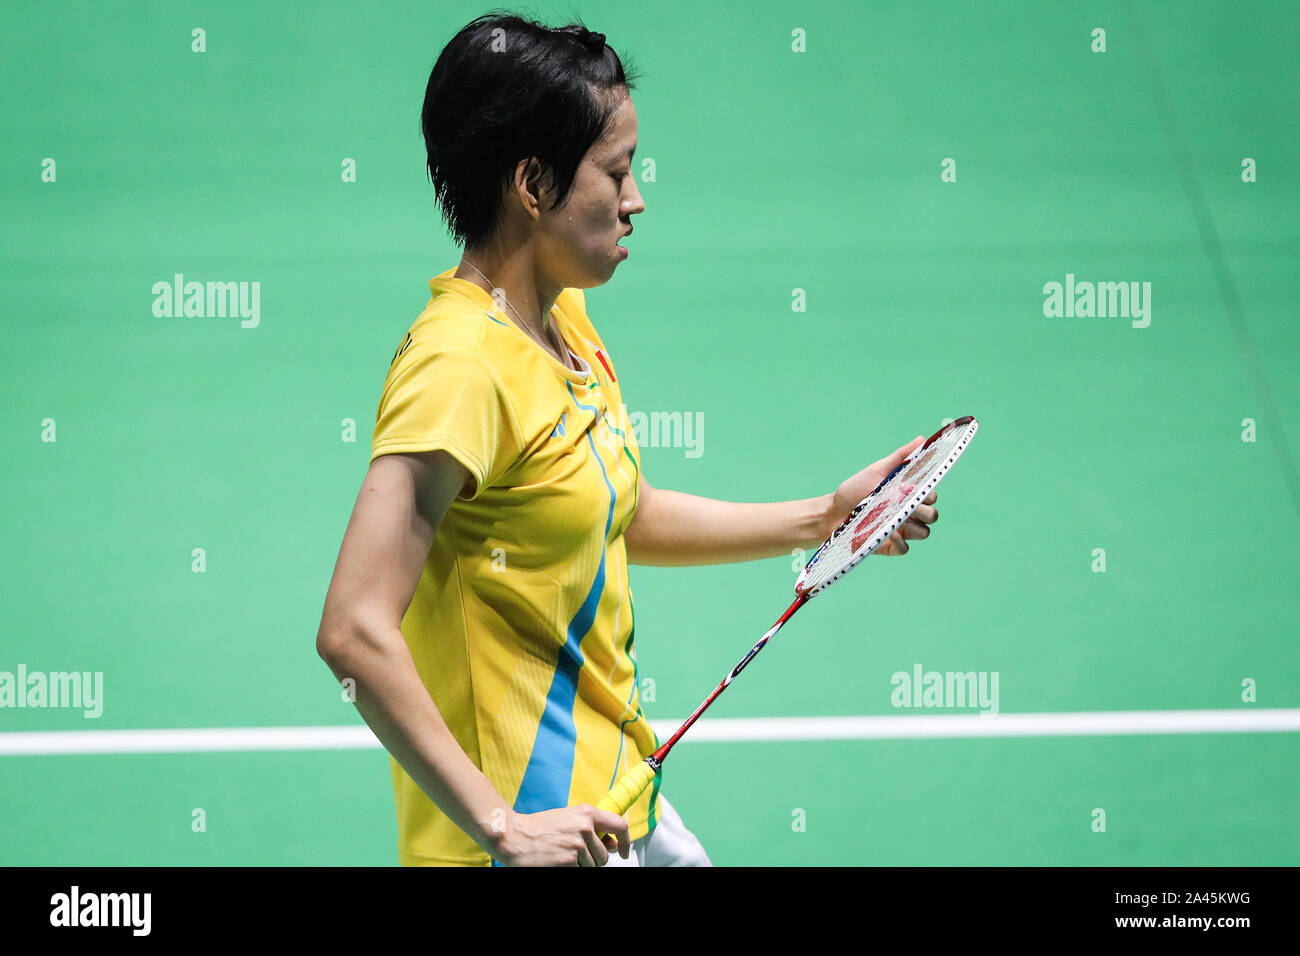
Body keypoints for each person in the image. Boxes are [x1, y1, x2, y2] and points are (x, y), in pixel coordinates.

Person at [315, 12, 938, 867]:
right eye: (616, 172)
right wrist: (501, 826)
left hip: (616, 798)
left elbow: (619, 513)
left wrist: (821, 516)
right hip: (532, 839)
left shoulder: (561, 321)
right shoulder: (458, 367)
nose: (636, 198)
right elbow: (352, 626)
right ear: (532, 185)